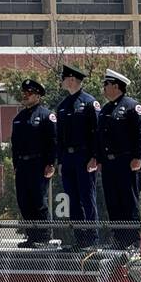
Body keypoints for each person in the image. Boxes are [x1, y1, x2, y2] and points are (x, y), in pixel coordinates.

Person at [96, 69, 141, 250]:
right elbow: (100, 138)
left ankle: (132, 239)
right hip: (110, 164)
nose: (103, 88)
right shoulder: (105, 110)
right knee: (113, 201)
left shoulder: (132, 107)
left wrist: (138, 157)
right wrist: (100, 159)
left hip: (127, 162)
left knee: (128, 200)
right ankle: (119, 238)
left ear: (116, 86)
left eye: (106, 85)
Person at [54, 64, 100, 249]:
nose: (62, 81)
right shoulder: (63, 106)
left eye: (64, 78)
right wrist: (60, 160)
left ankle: (91, 238)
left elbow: (97, 132)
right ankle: (79, 238)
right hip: (68, 158)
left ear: (72, 79)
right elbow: (59, 137)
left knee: (87, 197)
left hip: (84, 157)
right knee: (72, 198)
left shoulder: (89, 103)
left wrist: (95, 156)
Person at [11, 78, 57, 248]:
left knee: (39, 201)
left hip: (39, 164)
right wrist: (15, 165)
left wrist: (51, 163)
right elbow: (15, 145)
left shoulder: (46, 116)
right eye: (24, 92)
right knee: (24, 201)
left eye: (29, 93)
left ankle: (44, 237)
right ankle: (32, 236)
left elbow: (52, 141)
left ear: (38, 96)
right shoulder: (18, 118)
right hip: (23, 166)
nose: (25, 95)